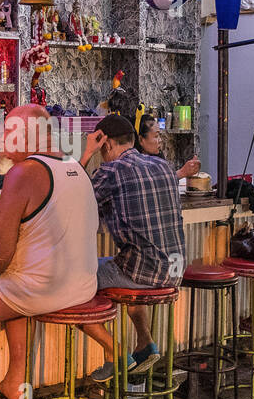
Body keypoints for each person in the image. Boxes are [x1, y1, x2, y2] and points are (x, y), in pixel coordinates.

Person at [0, 104, 99, 399]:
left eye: (9, 131)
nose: (3, 138)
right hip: (82, 289)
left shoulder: (23, 172)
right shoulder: (74, 166)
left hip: (42, 295)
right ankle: (14, 380)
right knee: (20, 276)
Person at [77, 115, 186, 381]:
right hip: (175, 270)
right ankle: (145, 343)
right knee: (126, 261)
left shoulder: (110, 171)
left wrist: (86, 153)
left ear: (107, 144)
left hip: (142, 272)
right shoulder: (164, 166)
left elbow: (70, 197)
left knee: (71, 285)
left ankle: (115, 354)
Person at [135, 115, 201, 180]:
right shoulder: (134, 165)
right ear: (141, 139)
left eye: (159, 135)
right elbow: (157, 182)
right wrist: (182, 172)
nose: (160, 140)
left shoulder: (159, 159)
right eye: (156, 136)